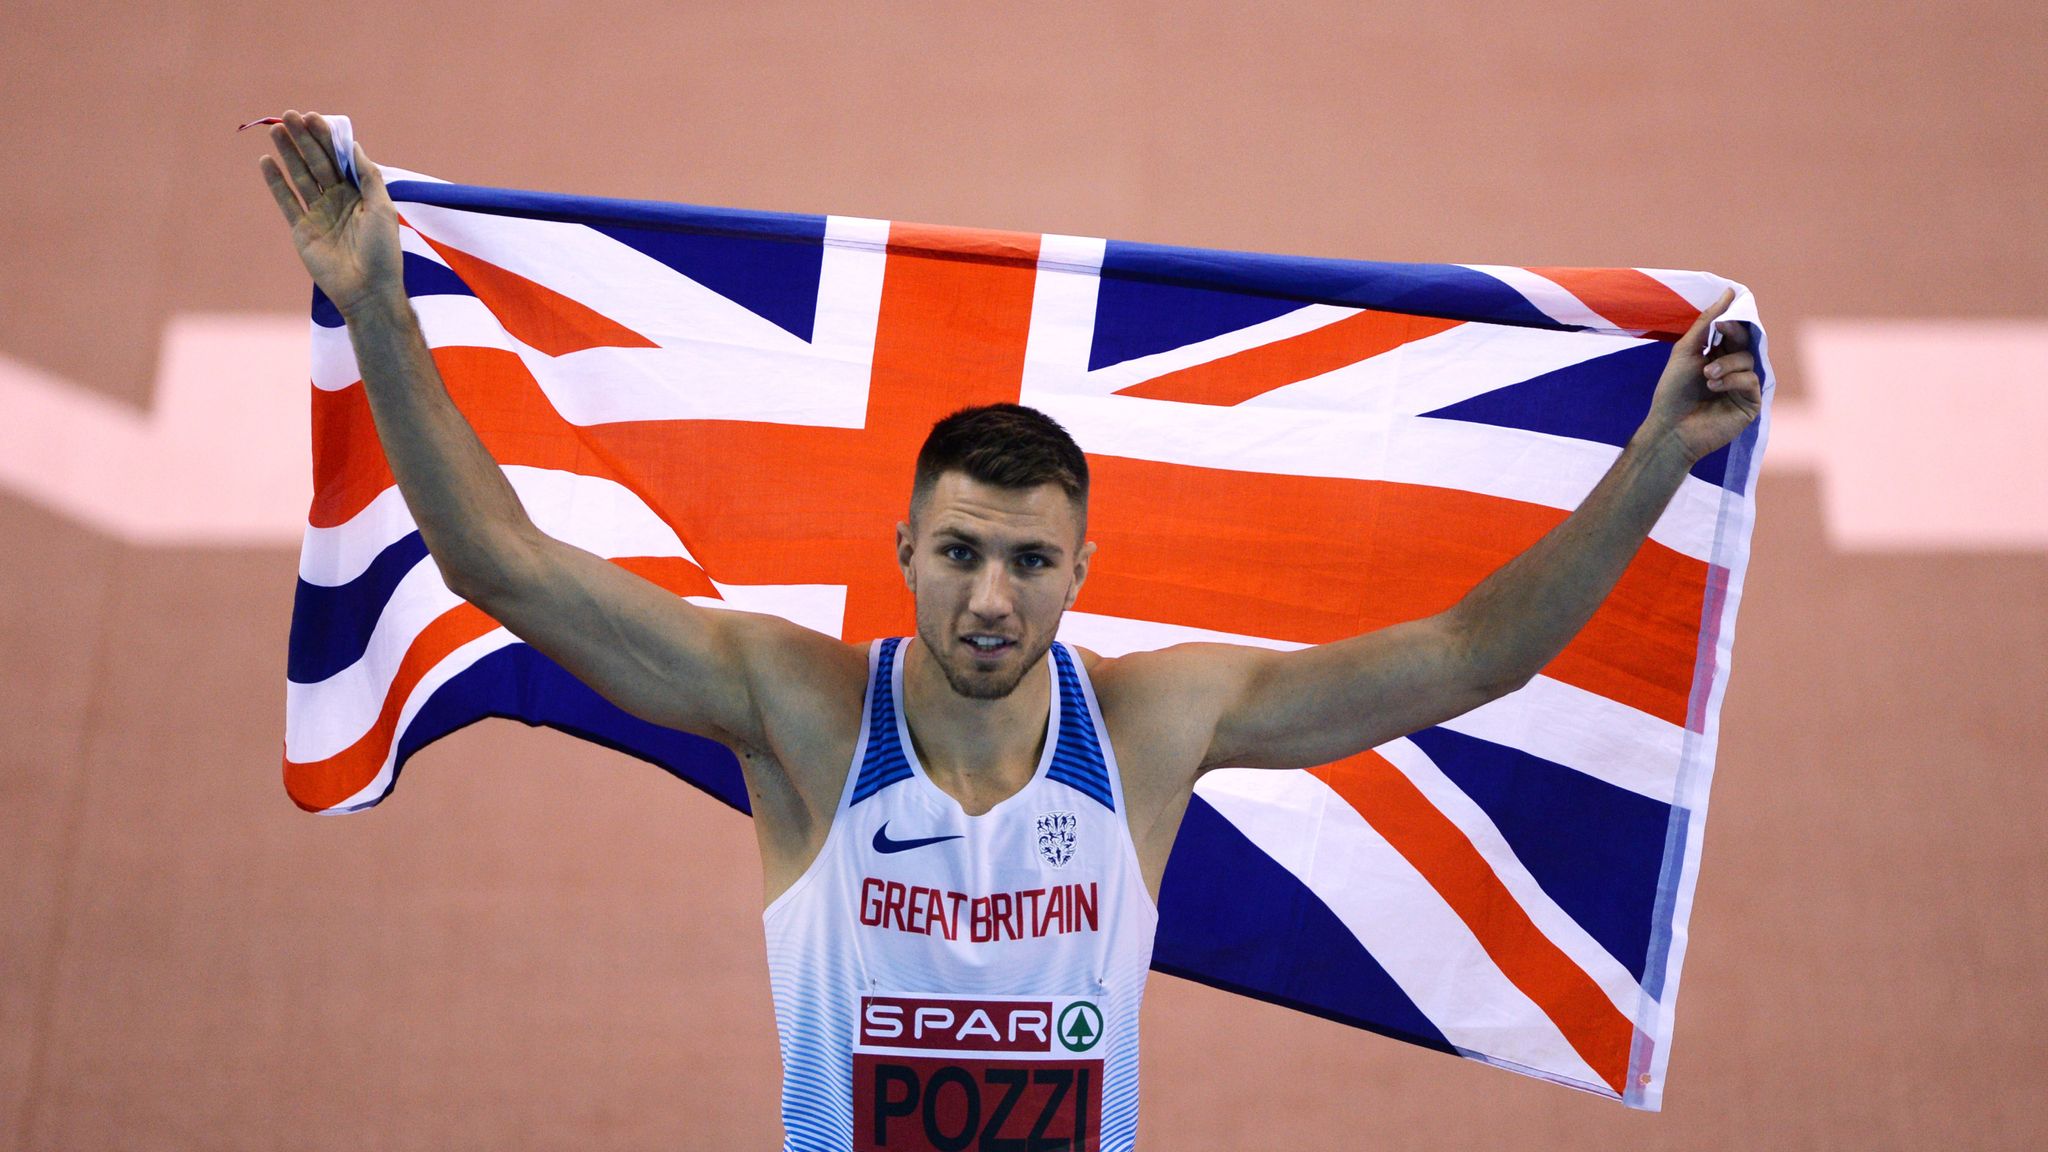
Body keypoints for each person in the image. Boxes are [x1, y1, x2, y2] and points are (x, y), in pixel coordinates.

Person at [257, 109, 1762, 1152]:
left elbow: (1468, 658)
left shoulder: (1157, 728)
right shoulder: (802, 714)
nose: (991, 597)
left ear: (1083, 568)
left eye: (1029, 561)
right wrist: (381, 305)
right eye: (962, 552)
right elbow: (505, 568)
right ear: (901, 549)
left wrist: (1650, 462)